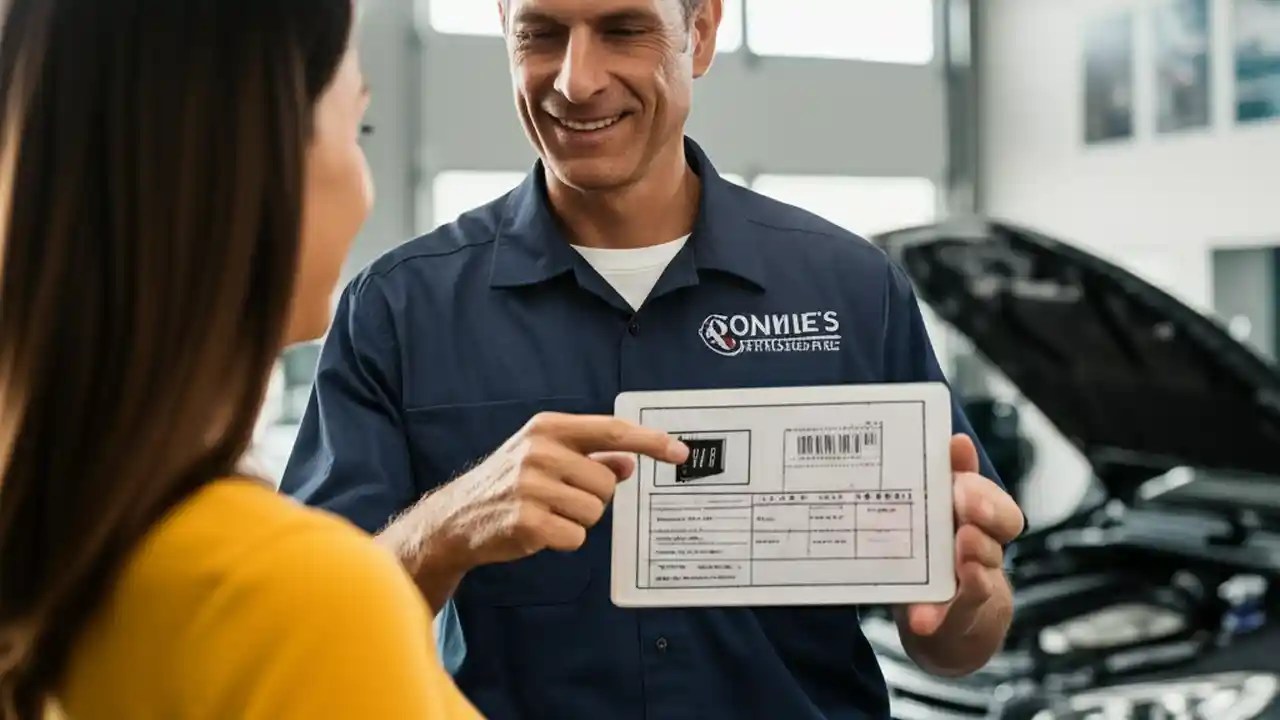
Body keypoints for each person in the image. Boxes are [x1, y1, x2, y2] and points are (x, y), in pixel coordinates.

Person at [282, 0, 1026, 718]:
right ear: (505, 33)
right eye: (541, 34)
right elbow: (303, 638)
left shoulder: (855, 291)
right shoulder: (398, 308)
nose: (576, 80)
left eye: (622, 29)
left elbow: (960, 644)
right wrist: (446, 527)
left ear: (698, 34)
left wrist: (966, 596)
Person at [0, 1, 498, 718]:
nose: (365, 182)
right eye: (356, 128)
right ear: (255, 166)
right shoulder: (297, 601)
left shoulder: (63, 548)